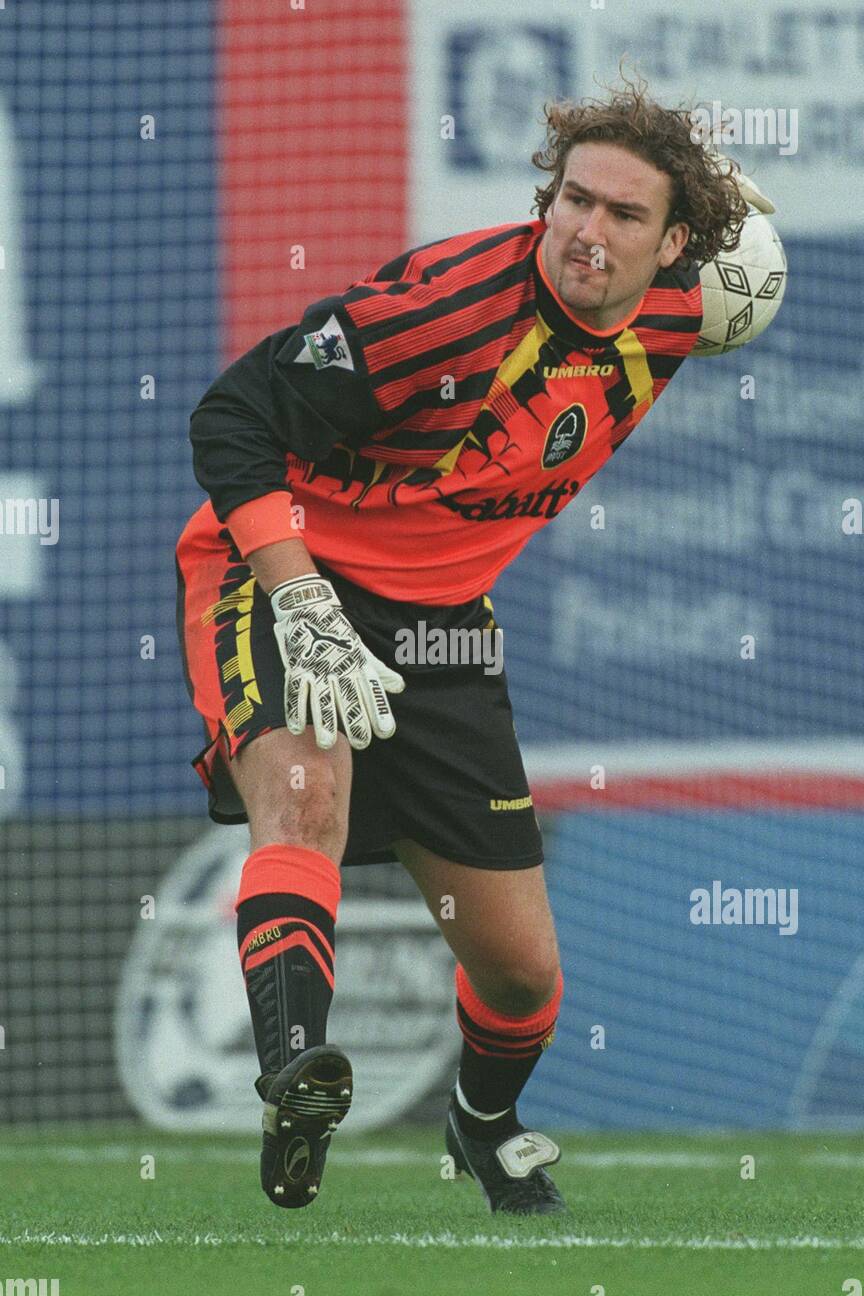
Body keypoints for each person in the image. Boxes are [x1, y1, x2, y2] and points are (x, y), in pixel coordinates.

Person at [175, 76, 753, 1215]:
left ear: (675, 242)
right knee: (306, 794)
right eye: (572, 200)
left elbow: (755, 251)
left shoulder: (695, 307)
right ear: (547, 200)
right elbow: (229, 418)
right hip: (286, 571)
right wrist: (297, 598)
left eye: (624, 216)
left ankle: (483, 1126)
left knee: (523, 974)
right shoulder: (442, 313)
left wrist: (721, 186)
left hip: (442, 628)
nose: (589, 232)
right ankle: (297, 1069)